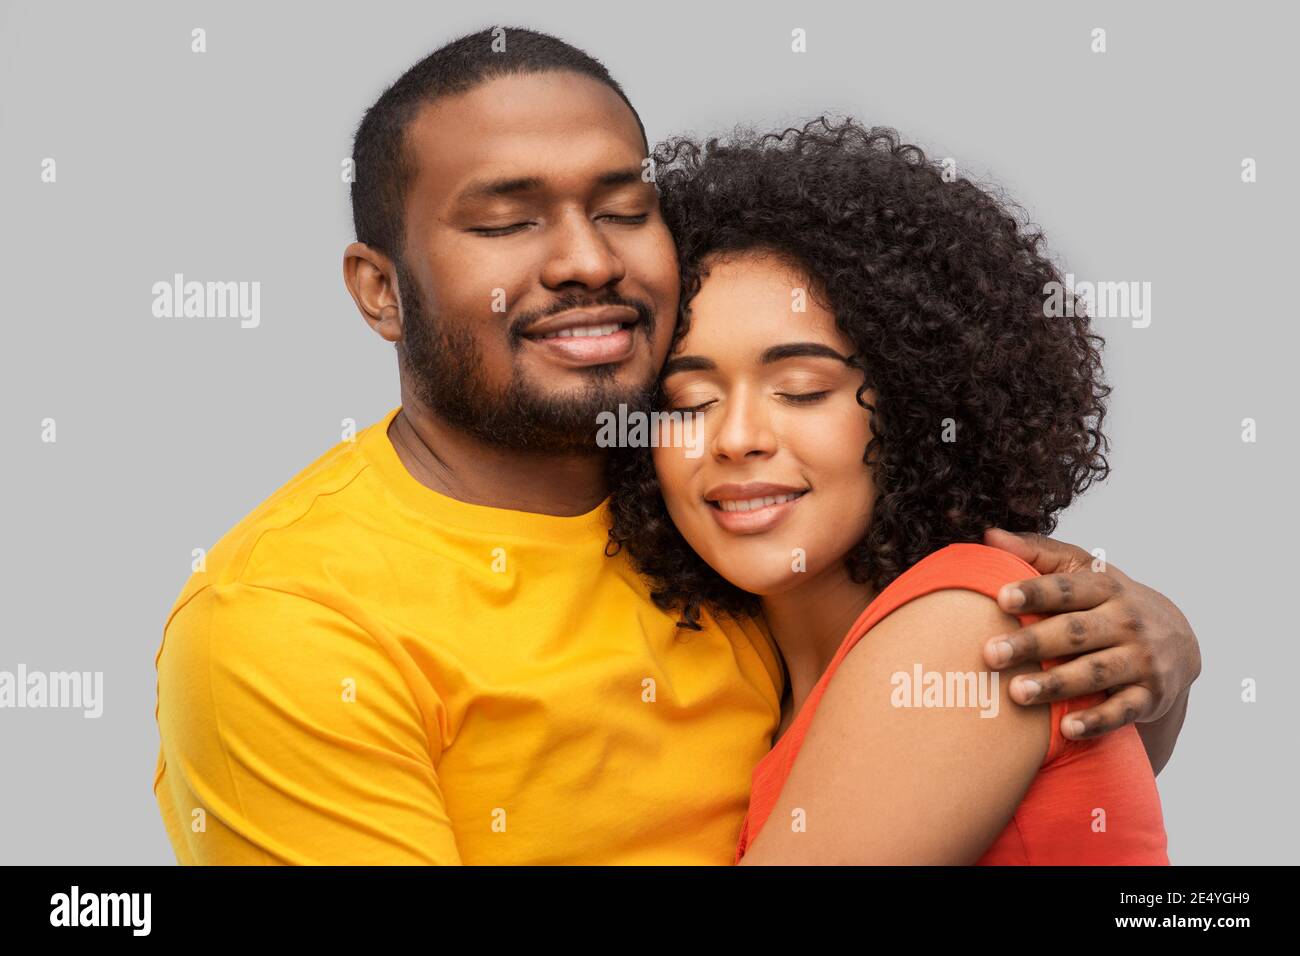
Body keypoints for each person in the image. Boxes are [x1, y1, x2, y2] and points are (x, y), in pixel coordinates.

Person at [153, 27, 1199, 865]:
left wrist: (1157, 661)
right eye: (507, 220)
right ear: (382, 288)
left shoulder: (743, 544)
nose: (583, 260)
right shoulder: (288, 620)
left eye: (622, 208)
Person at [607, 118, 1172, 863]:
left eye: (803, 390)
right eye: (687, 403)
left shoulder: (965, 632)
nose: (736, 438)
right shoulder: (753, 687)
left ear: (917, 406)